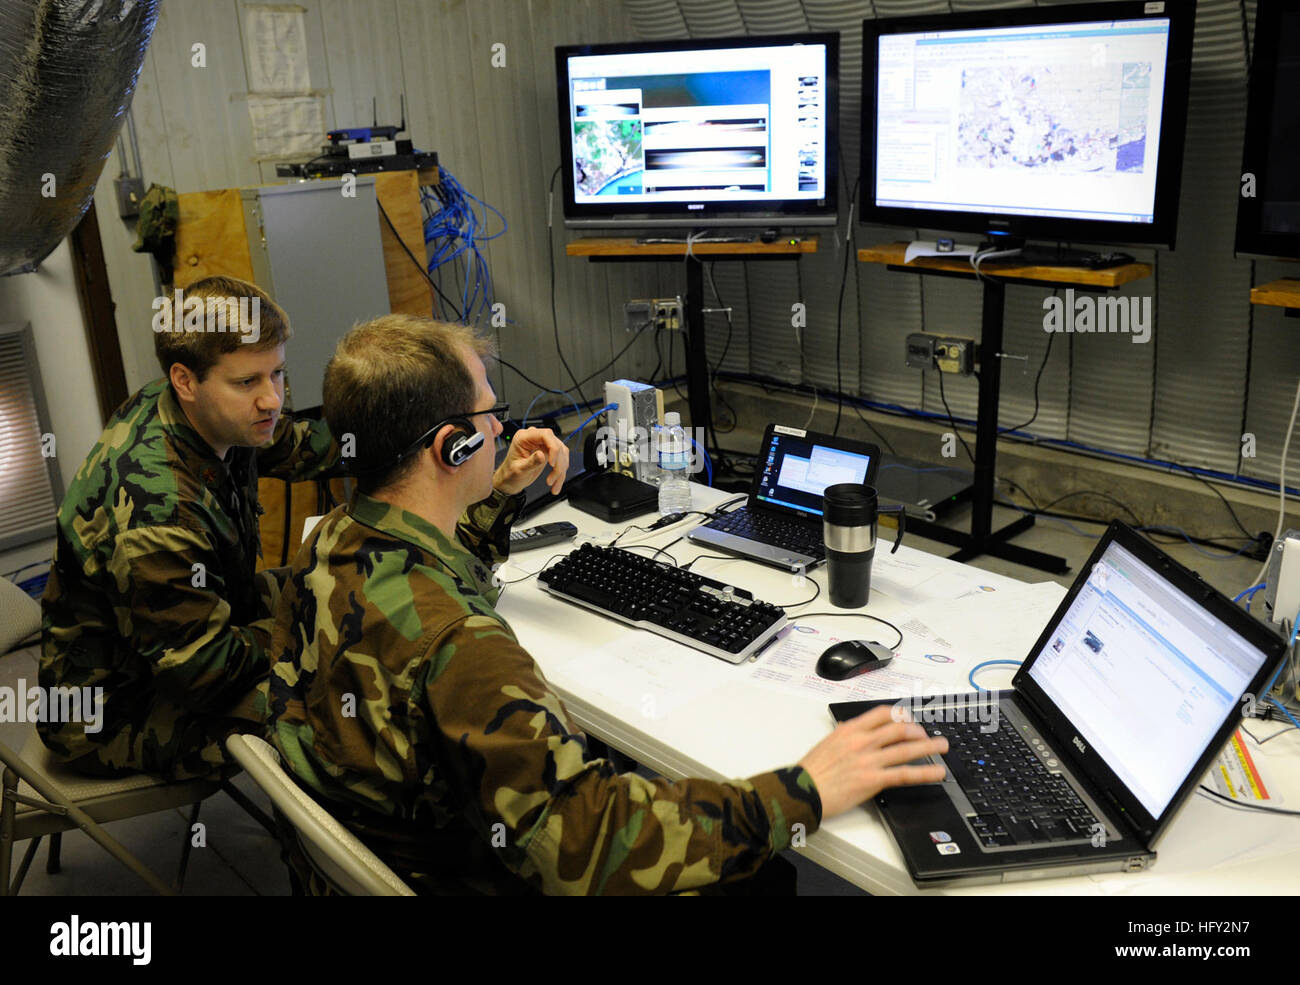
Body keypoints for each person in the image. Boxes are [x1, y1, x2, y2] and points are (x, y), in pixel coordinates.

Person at [266, 314, 948, 895]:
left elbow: (417, 581)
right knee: (763, 872)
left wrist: (496, 492)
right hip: (480, 874)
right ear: (455, 444)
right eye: (489, 413)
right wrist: (804, 790)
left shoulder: (331, 539)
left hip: (391, 845)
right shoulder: (465, 645)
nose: (501, 425)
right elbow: (577, 842)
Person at [39, 276, 338, 780]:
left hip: (186, 634)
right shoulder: (158, 511)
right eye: (248, 382)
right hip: (110, 713)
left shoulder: (207, 410)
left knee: (338, 581)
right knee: (334, 697)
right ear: (186, 380)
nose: (272, 400)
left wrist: (402, 435)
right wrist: (319, 632)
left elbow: (298, 444)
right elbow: (206, 671)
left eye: (278, 374)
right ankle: (320, 855)